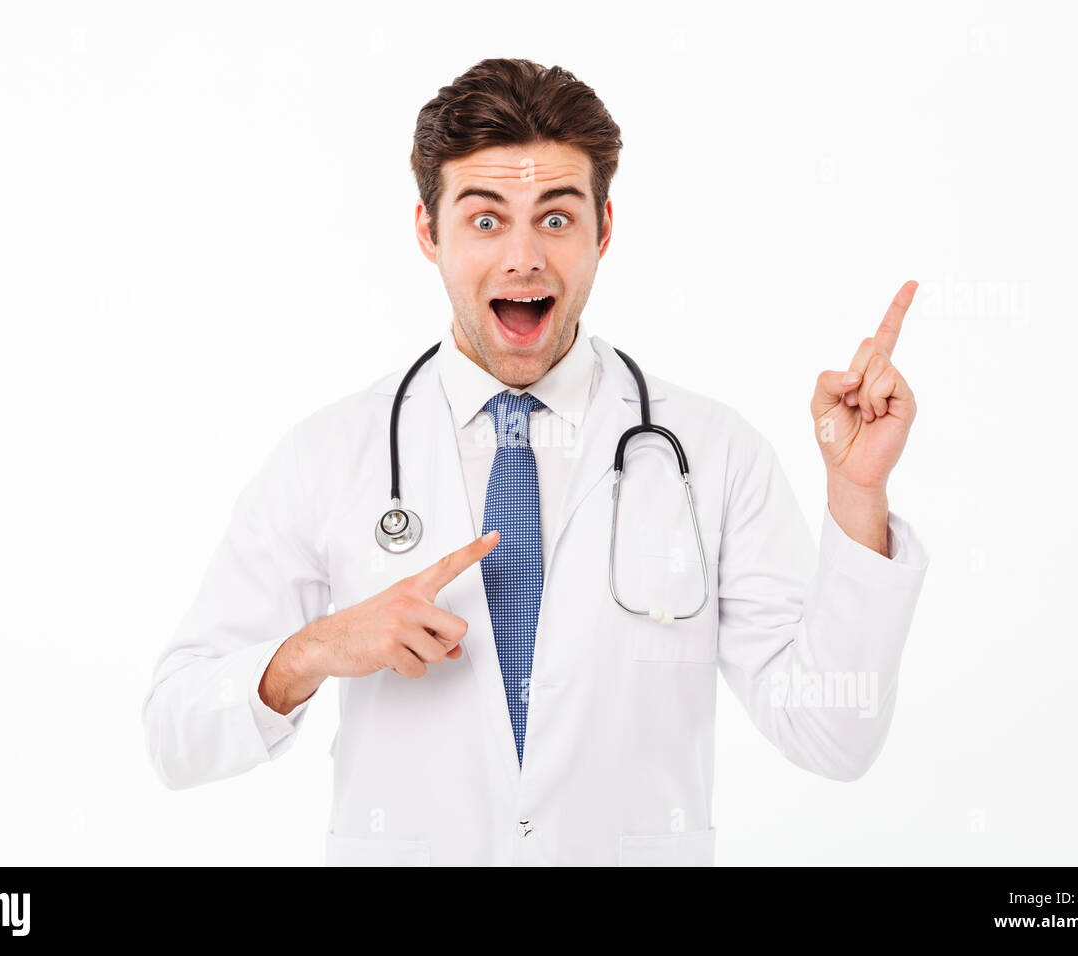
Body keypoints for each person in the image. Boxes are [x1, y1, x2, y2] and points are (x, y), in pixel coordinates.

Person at [141, 58, 929, 866]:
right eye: (485, 221)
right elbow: (175, 732)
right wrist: (317, 650)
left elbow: (835, 735)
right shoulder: (328, 455)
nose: (523, 258)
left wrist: (858, 493)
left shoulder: (714, 454)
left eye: (556, 219)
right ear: (427, 231)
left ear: (604, 230)